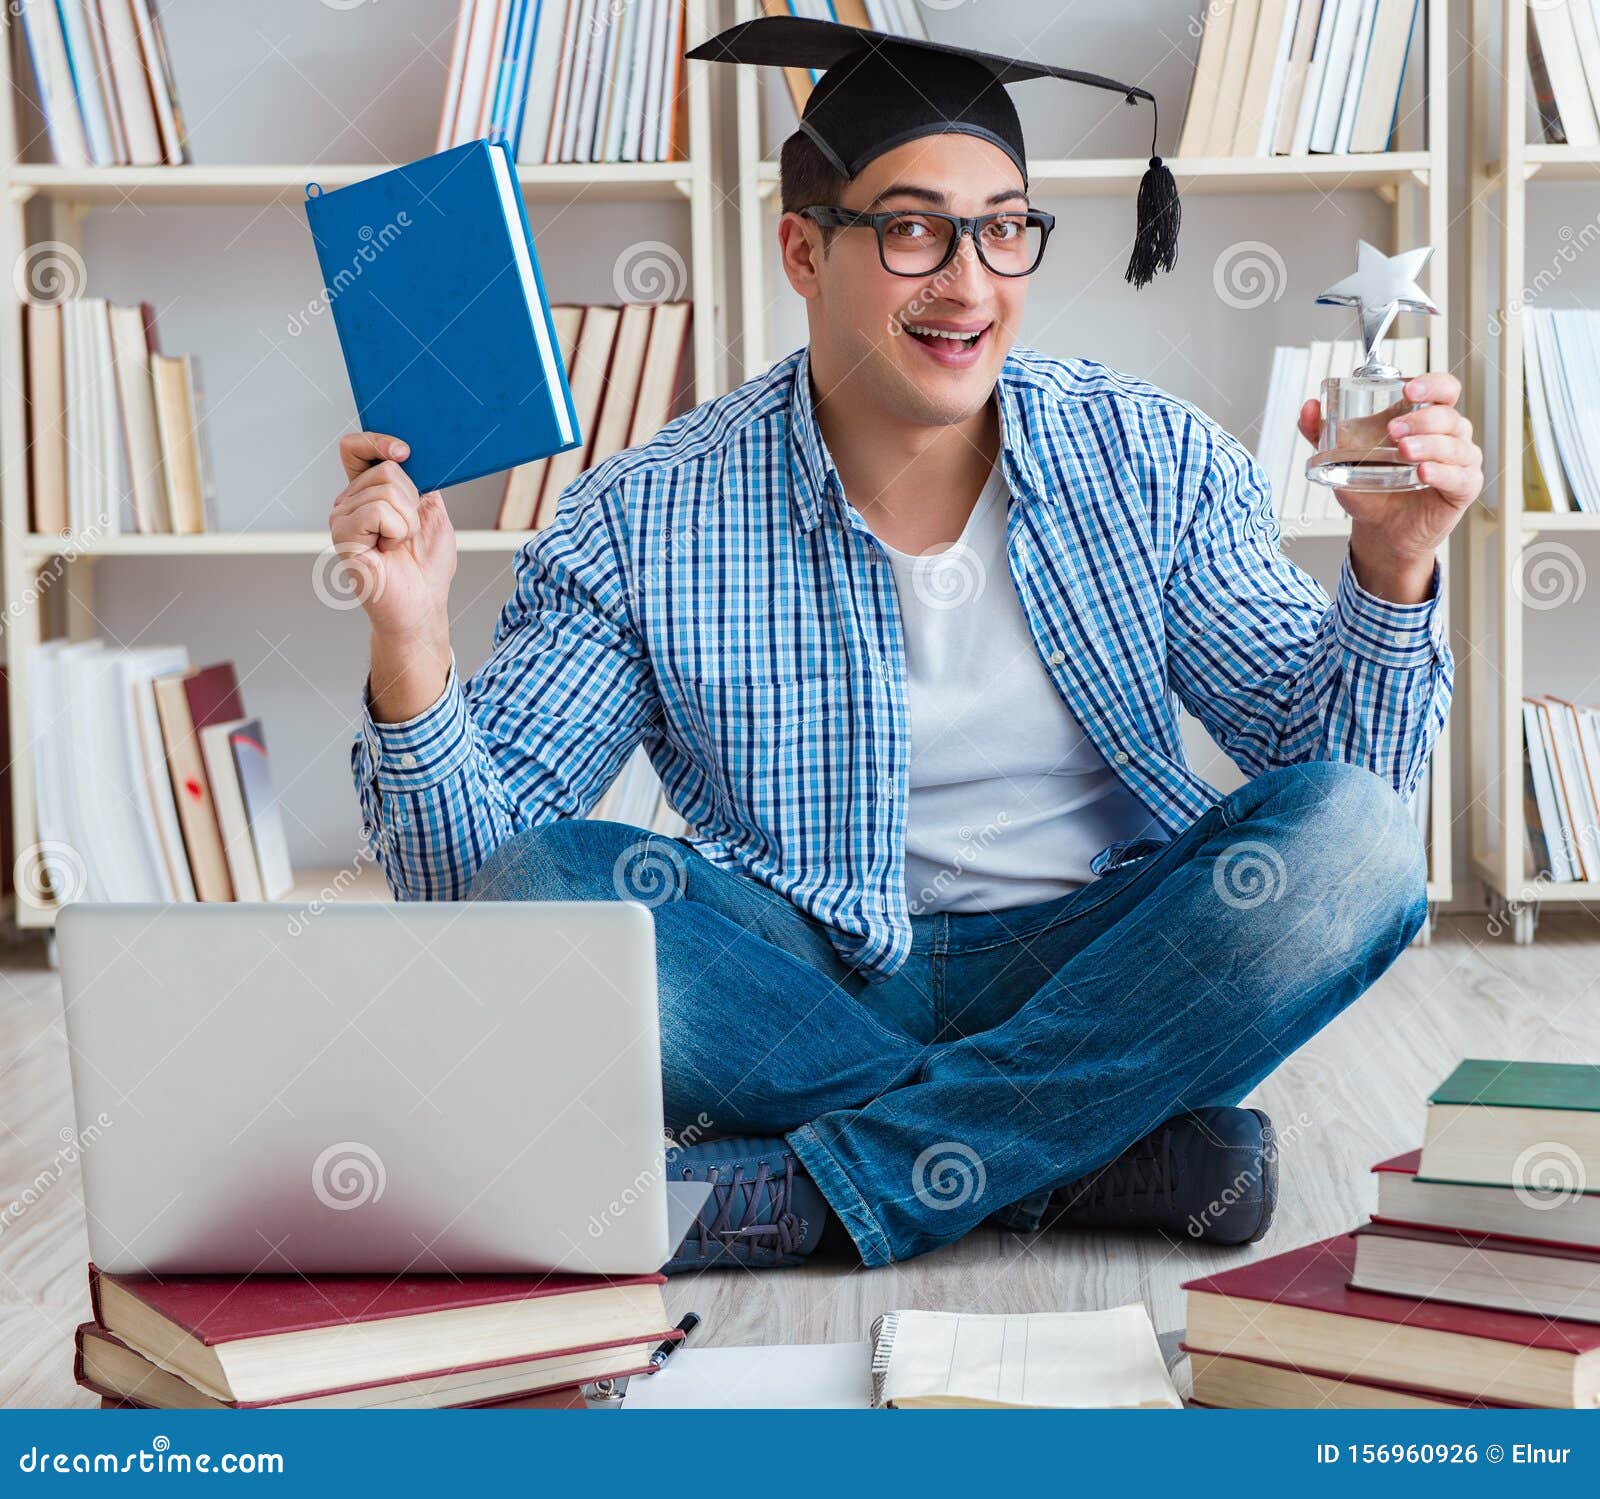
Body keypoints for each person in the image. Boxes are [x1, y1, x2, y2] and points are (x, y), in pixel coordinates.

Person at [328, 21, 1482, 1273]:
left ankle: (818, 1189)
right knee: (551, 887)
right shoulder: (644, 513)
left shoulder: (1151, 457)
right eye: (914, 231)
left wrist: (1392, 567)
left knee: (1356, 841)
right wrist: (412, 639)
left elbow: (1342, 775)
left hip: (1098, 966)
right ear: (802, 250)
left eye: (1004, 228)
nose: (969, 284)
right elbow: (476, 896)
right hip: (804, 983)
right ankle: (1078, 1150)